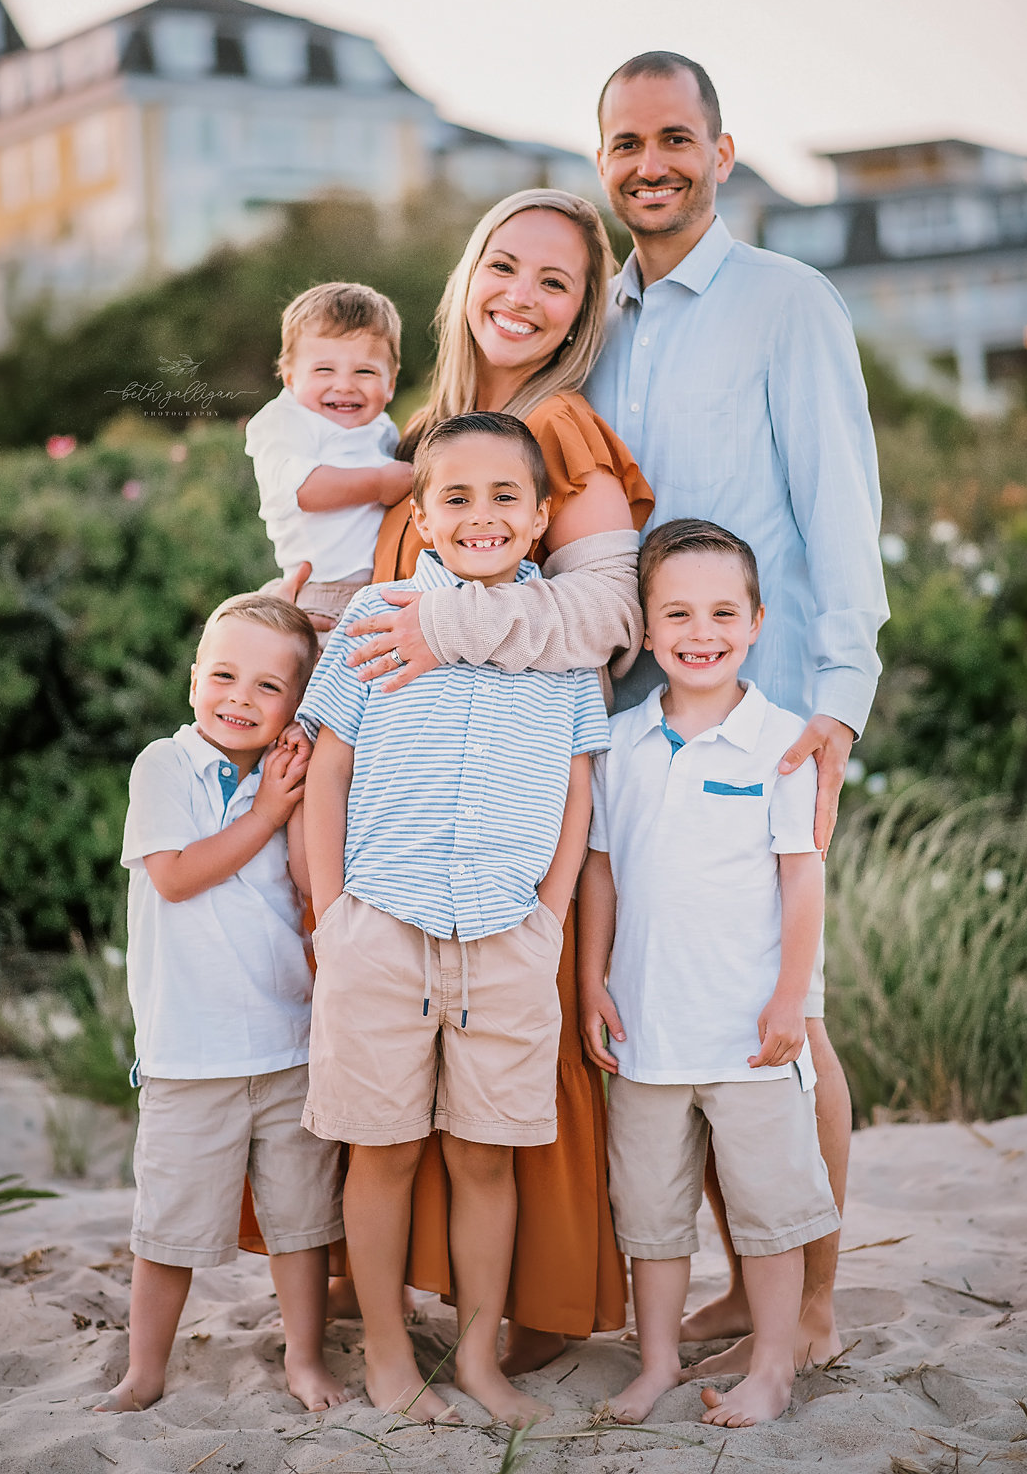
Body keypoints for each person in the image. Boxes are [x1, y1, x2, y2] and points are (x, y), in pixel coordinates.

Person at [585, 51, 888, 1372]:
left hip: (767, 714)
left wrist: (842, 697)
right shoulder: (598, 320)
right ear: (602, 162)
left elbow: (840, 499)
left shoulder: (786, 299)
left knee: (786, 1018)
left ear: (719, 148)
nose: (648, 163)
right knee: (689, 1007)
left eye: (672, 137)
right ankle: (744, 1289)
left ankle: (808, 1308)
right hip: (636, 727)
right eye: (623, 143)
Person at [349, 187, 653, 1371]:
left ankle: (523, 1310)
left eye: (557, 283)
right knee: (380, 1079)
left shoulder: (557, 428)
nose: (521, 298)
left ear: (582, 313)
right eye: (505, 267)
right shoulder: (420, 435)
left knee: (506, 1077)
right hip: (393, 816)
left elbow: (607, 612)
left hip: (505, 818)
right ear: (468, 271)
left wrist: (448, 628)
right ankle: (401, 1308)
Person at [298, 412, 611, 1426]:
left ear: (542, 515)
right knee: (381, 1150)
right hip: (381, 924)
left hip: (507, 934)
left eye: (505, 497)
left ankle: (478, 1355)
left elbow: (577, 787)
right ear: (424, 521)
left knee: (485, 1153)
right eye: (458, 498)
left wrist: (550, 915)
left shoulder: (561, 643)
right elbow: (329, 772)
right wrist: (330, 915)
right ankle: (390, 1355)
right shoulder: (375, 618)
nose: (483, 516)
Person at [579, 519, 840, 1428]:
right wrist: (590, 980)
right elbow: (600, 872)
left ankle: (773, 1365)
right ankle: (654, 1365)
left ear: (759, 620)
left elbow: (802, 880)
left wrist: (788, 1001)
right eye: (677, 613)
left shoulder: (783, 745)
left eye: (724, 611)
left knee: (767, 1212)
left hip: (748, 1031)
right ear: (646, 631)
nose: (702, 631)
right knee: (651, 1218)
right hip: (648, 1031)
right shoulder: (618, 744)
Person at [103, 594, 348, 1414]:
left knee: (301, 1220)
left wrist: (296, 798)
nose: (241, 698)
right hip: (190, 1048)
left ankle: (305, 1358)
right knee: (168, 1225)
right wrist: (271, 809)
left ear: (295, 706)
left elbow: (314, 883)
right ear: (192, 682)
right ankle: (145, 1369)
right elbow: (175, 875)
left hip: (286, 1040)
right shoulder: (162, 767)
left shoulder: (291, 773)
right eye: (224, 676)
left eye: (269, 687)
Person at [245, 282, 413, 644]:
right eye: (324, 370)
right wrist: (382, 484)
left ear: (390, 384)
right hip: (324, 594)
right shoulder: (285, 421)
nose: (345, 385)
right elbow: (302, 489)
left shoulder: (380, 427)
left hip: (381, 586)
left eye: (365, 372)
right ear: (290, 377)